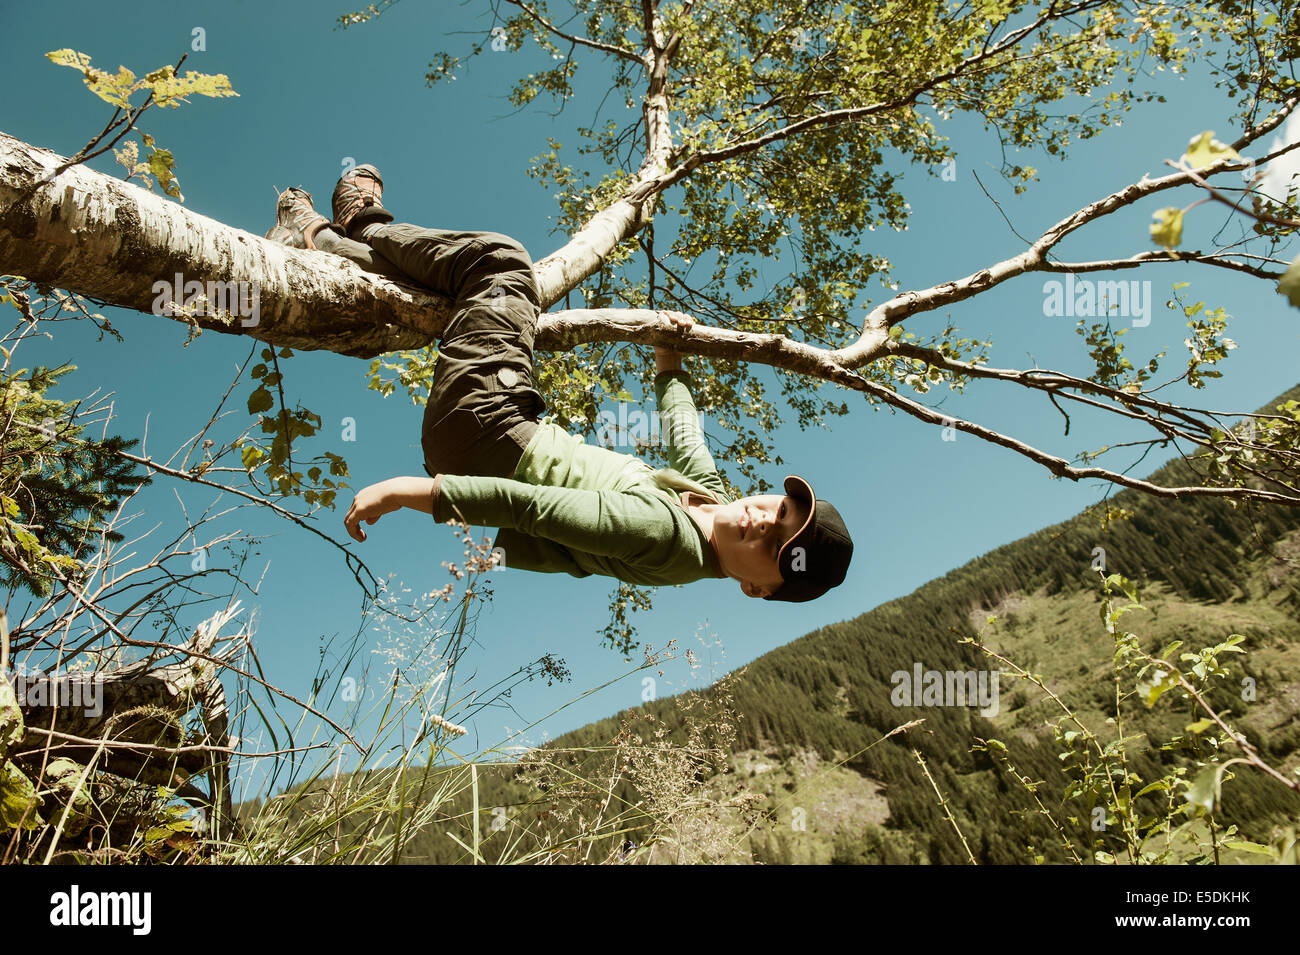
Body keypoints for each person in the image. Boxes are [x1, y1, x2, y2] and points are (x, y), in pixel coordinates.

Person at [264, 166, 853, 601]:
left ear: (755, 588)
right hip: (494, 430)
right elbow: (686, 439)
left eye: (773, 548)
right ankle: (313, 236)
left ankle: (361, 223)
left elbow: (537, 508)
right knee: (461, 296)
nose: (759, 521)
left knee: (501, 265)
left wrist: (406, 494)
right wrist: (670, 358)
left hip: (487, 433)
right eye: (778, 512)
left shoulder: (667, 540)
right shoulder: (708, 504)